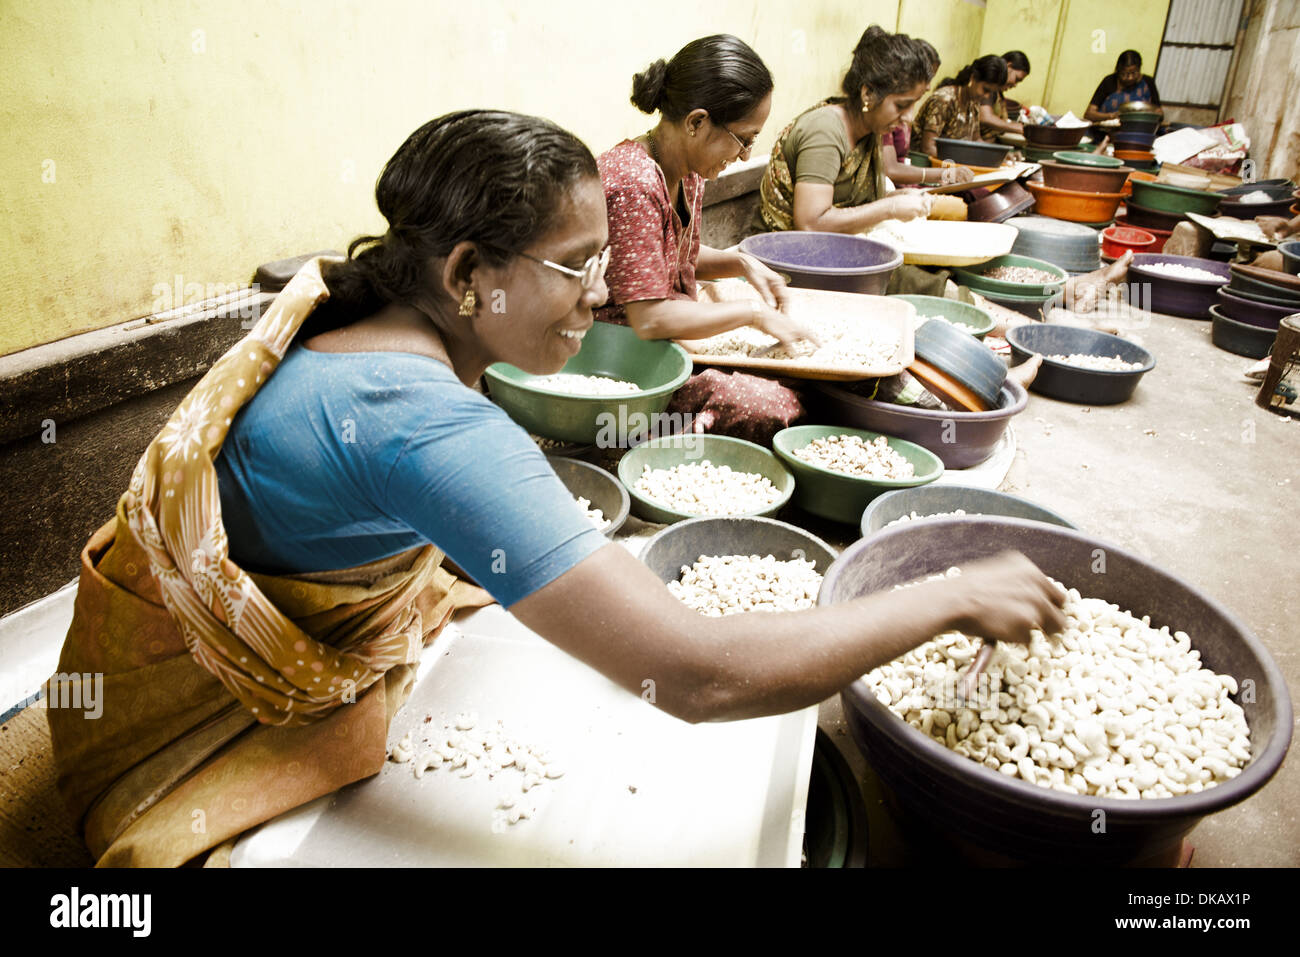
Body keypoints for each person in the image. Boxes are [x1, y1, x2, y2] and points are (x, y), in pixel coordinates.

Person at [48, 109, 1066, 866]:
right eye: (576, 267)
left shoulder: (364, 325)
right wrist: (945, 595)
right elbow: (697, 677)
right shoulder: (429, 424)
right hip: (180, 711)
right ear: (463, 277)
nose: (599, 297)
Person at [597, 35, 811, 350]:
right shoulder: (634, 185)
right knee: (777, 398)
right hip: (619, 349)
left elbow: (671, 259)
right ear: (697, 122)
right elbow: (649, 319)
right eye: (745, 139)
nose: (746, 156)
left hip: (666, 334)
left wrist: (742, 263)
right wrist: (752, 313)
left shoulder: (689, 172)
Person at [756, 26, 949, 235]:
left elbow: (854, 207)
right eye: (902, 106)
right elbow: (811, 223)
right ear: (868, 94)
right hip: (784, 254)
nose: (909, 118)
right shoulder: (825, 131)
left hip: (833, 248)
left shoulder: (869, 131)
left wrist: (899, 199)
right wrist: (889, 208)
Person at [912, 54, 1009, 159]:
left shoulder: (973, 103)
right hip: (925, 165)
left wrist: (1000, 156)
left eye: (991, 93)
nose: (987, 96)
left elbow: (976, 140)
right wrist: (960, 164)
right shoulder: (944, 100)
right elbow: (928, 148)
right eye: (986, 90)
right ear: (973, 78)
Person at [1084, 50, 1162, 122]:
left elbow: (1159, 112)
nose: (1130, 78)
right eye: (1125, 74)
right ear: (1118, 70)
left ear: (1139, 69)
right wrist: (1111, 116)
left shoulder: (1148, 82)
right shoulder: (1109, 81)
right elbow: (1089, 114)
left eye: (1134, 73)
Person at [979, 50, 1030, 141]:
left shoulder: (998, 93)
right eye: (1017, 79)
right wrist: (1019, 128)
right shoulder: (988, 88)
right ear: (1008, 66)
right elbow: (985, 117)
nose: (1015, 85)